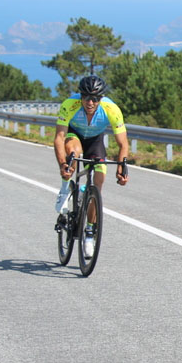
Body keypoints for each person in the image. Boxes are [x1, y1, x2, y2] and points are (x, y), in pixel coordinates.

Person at [53, 75, 130, 258]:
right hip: (74, 135)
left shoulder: (111, 109)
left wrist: (122, 168)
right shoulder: (69, 104)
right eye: (86, 97)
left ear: (101, 98)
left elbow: (123, 144)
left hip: (95, 140)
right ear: (80, 96)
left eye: (95, 99)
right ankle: (64, 189)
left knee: (99, 180)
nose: (90, 102)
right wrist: (63, 164)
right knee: (74, 153)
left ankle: (89, 232)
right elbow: (59, 138)